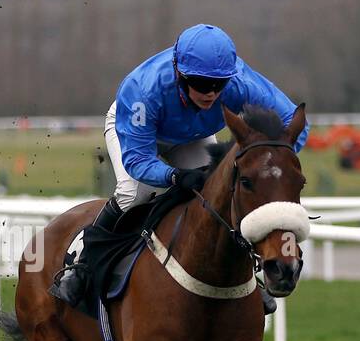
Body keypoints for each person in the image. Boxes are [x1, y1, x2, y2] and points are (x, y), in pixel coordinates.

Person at [49, 23, 308, 310]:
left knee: (217, 192)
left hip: (190, 136)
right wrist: (174, 176)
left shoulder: (242, 82)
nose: (210, 93)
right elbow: (137, 161)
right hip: (138, 132)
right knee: (135, 193)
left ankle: (247, 275)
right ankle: (82, 266)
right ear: (178, 72)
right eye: (200, 83)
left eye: (218, 84)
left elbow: (293, 124)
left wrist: (267, 166)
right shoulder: (143, 90)